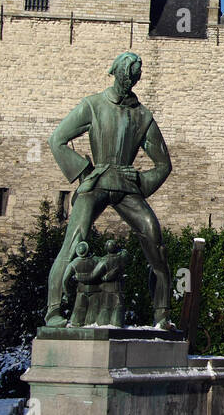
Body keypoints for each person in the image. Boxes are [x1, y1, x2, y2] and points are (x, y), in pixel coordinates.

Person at [44, 52, 173, 329]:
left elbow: (163, 164)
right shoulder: (92, 106)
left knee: (153, 235)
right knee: (74, 237)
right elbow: (57, 140)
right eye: (126, 76)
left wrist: (140, 179)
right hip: (97, 181)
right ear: (116, 73)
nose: (130, 82)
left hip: (127, 186)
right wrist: (84, 172)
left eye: (134, 77)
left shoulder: (143, 116)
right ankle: (53, 311)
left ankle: (162, 314)